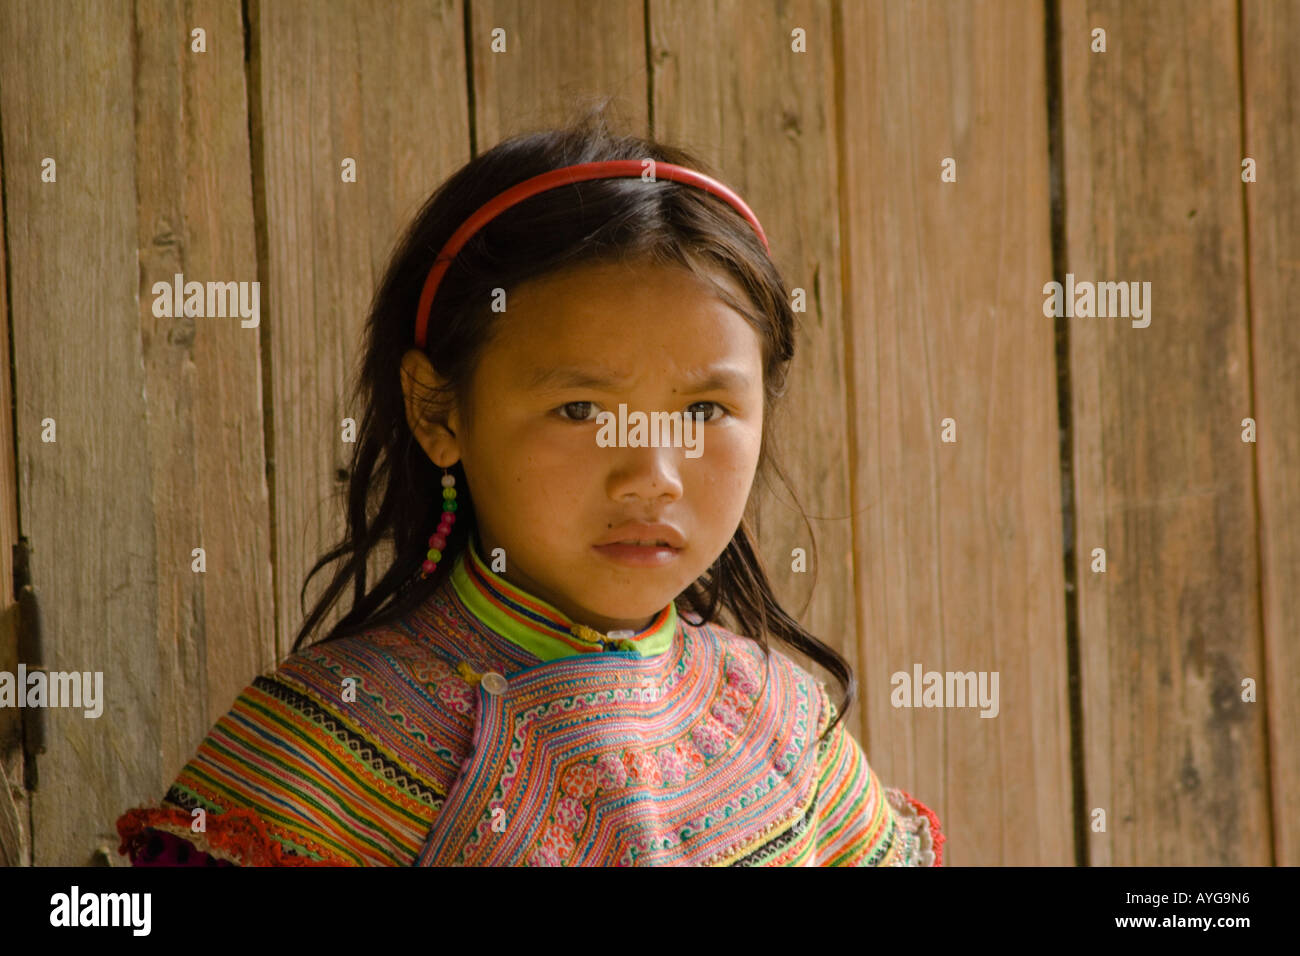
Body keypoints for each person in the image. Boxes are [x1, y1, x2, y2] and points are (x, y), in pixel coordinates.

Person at [116, 108, 944, 867]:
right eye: (580, 408)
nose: (651, 475)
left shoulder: (789, 734)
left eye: (704, 410)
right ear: (438, 410)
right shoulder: (322, 747)